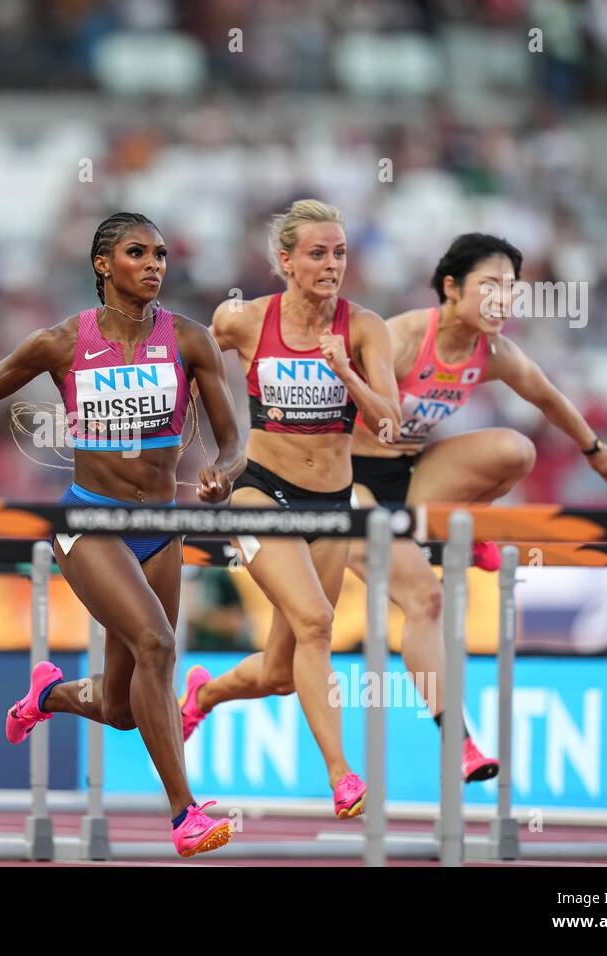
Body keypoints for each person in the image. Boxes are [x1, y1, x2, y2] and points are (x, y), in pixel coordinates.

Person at [0, 212, 246, 857]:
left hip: (160, 527)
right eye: (138, 252)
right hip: (88, 521)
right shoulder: (61, 342)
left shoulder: (191, 341)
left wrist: (225, 469)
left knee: (122, 706)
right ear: (103, 266)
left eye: (162, 254)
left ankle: (49, 694)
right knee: (157, 647)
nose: (155, 264)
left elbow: (232, 437)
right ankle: (183, 814)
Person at [344, 232, 607, 778]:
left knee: (514, 450)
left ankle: (460, 741)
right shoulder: (399, 338)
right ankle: (204, 697)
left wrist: (592, 448)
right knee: (288, 662)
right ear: (451, 287)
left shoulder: (492, 353)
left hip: (410, 474)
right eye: (490, 287)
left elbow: (546, 396)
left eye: (512, 290)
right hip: (346, 477)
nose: (504, 300)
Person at [179, 199, 401, 818]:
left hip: (330, 502)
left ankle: (204, 694)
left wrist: (348, 374)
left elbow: (390, 422)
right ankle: (341, 775)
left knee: (281, 670)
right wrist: (219, 457)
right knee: (316, 624)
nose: (332, 265)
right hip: (260, 490)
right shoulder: (243, 321)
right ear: (285, 261)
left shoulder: (365, 328)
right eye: (317, 253)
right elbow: (189, 367)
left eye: (340, 253)